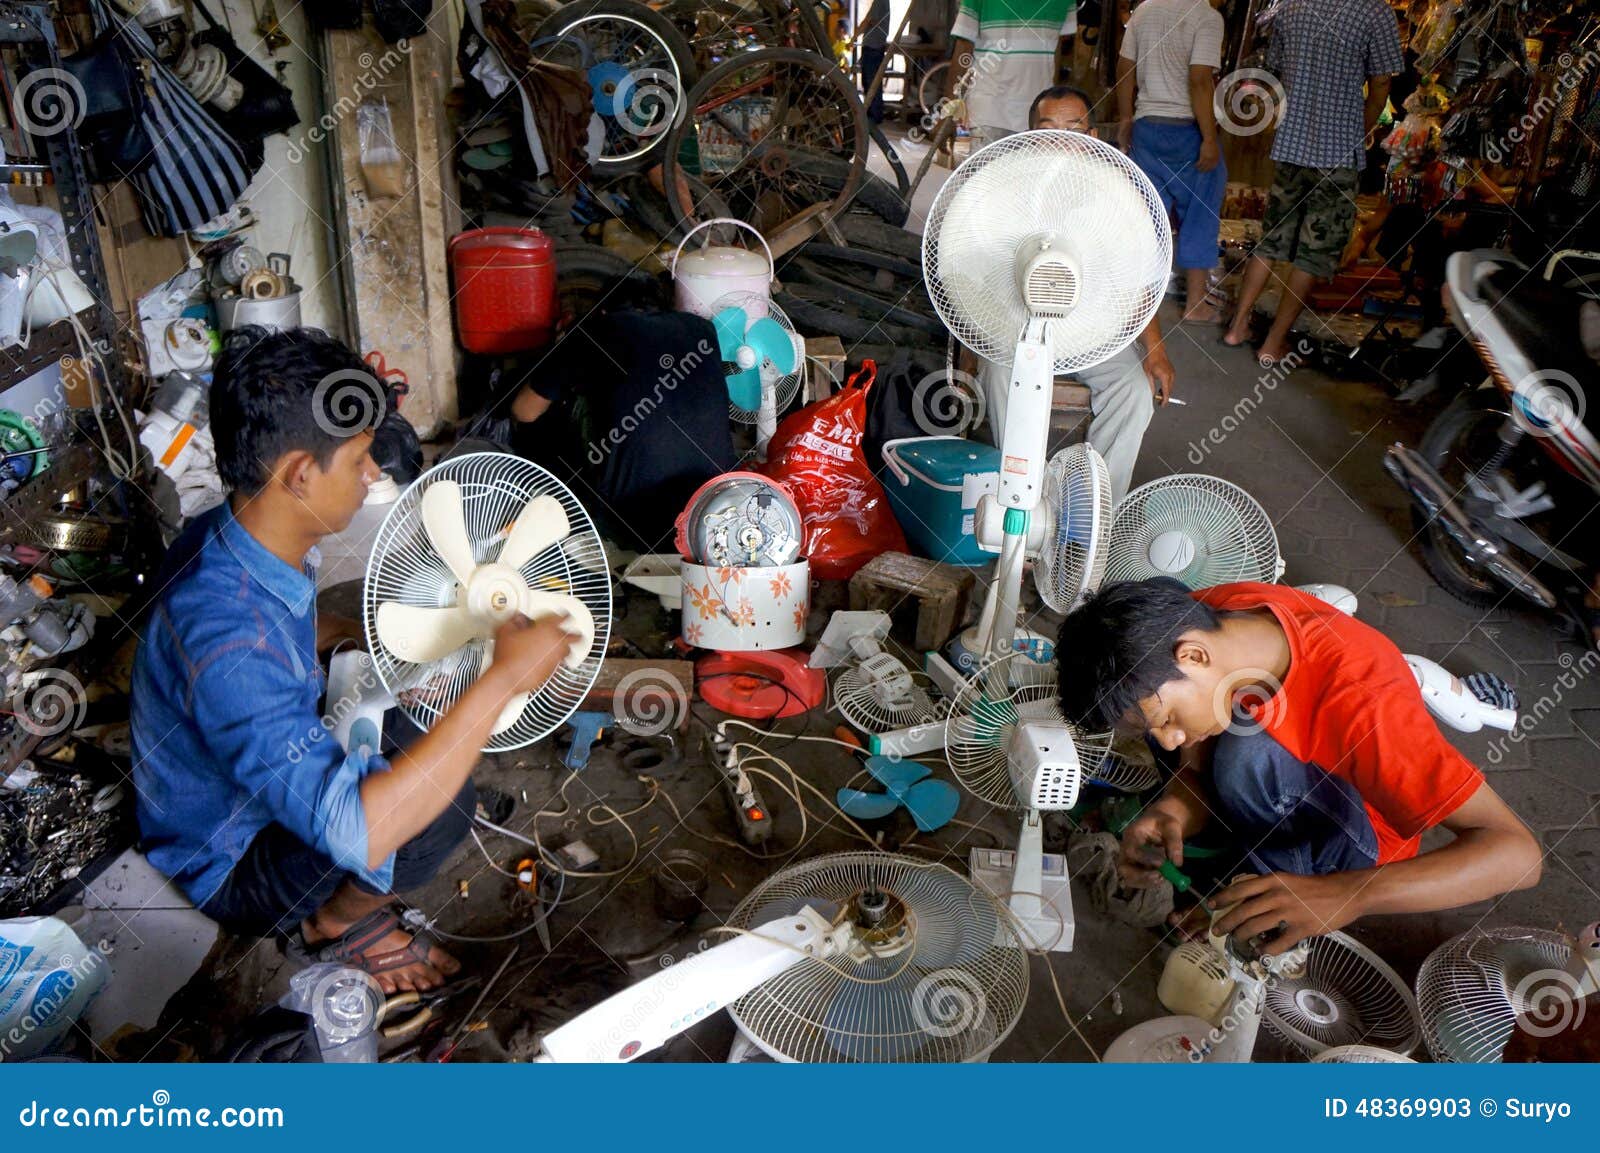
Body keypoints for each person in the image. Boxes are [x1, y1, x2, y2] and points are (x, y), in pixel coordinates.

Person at [131, 327, 576, 994]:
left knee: (418, 722)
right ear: (301, 474)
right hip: (232, 858)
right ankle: (329, 926)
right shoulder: (227, 642)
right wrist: (505, 677)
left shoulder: (241, 531)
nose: (373, 476)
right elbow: (358, 830)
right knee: (441, 802)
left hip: (253, 761)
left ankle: (350, 899)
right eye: (361, 459)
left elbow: (285, 625)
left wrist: (372, 640)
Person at [1054, 578, 1541, 950]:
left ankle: (1284, 904)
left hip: (1358, 851)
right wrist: (1176, 808)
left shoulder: (1364, 700)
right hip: (1273, 788)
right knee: (1234, 748)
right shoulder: (1202, 619)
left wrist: (1349, 894)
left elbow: (1517, 854)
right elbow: (1194, 756)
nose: (1171, 736)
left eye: (1168, 719)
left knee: (1251, 754)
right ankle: (1243, 877)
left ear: (1194, 655)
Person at [983, 85, 1173, 504]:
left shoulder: (1117, 194)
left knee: (1133, 389)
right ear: (1030, 134)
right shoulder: (1004, 189)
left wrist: (1155, 351)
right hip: (1017, 326)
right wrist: (969, 348)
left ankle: (1092, 511)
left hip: (1094, 331)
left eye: (1073, 128)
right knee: (998, 376)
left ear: (1092, 136)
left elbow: (1140, 279)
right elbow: (972, 269)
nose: (1061, 138)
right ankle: (1018, 500)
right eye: (1047, 128)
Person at [1223, 0, 1404, 366]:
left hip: (1292, 144)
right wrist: (1360, 130)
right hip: (1337, 154)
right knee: (1313, 251)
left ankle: (1236, 326)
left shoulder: (1291, 7)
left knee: (1272, 239)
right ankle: (1273, 344)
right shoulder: (1375, 12)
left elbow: (1274, 73)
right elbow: (1382, 82)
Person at [1115, 0, 1227, 323]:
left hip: (1147, 127)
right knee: (1200, 212)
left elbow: (1125, 68)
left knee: (1147, 215)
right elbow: (1199, 79)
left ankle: (1133, 304)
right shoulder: (1207, 18)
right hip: (1187, 131)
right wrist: (1208, 138)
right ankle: (1195, 304)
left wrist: (1126, 118)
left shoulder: (1145, 10)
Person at [946, 0, 1078, 146]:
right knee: (986, 169)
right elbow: (964, 49)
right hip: (989, 115)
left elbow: (1056, 47)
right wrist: (948, 113)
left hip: (1038, 117)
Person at [859, 0, 891, 125]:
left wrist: (854, 37)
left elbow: (870, 20)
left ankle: (874, 115)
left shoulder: (880, 1)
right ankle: (872, 113)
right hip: (874, 47)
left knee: (872, 82)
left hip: (873, 47)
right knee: (870, 82)